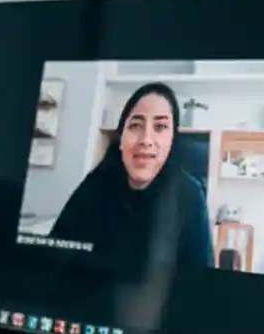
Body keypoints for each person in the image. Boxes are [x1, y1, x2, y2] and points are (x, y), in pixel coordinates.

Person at [48, 82, 213, 274]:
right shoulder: (95, 184)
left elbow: (201, 280)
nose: (146, 140)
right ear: (121, 138)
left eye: (160, 127)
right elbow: (54, 254)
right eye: (135, 125)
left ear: (172, 141)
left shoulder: (189, 196)